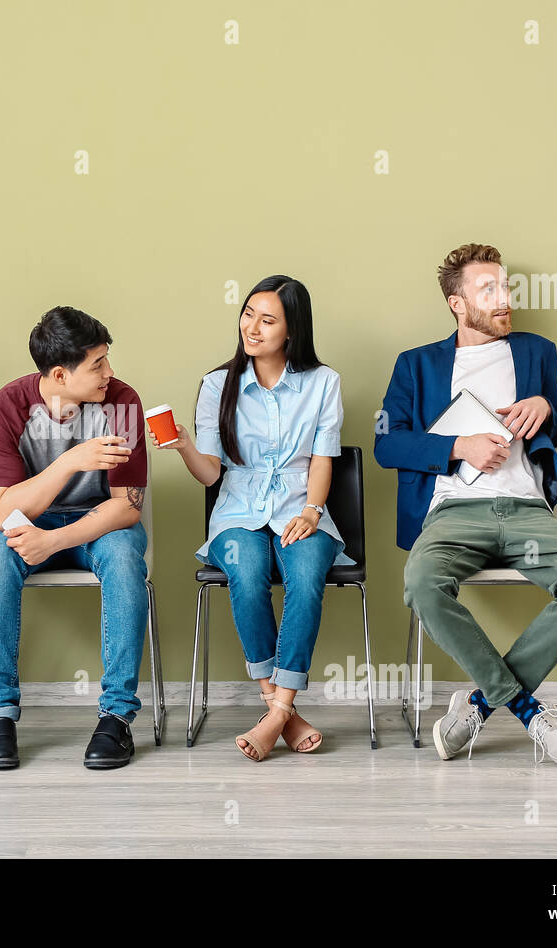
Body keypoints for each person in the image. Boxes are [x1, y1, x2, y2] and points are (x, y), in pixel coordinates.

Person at [374, 243, 557, 769]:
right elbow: (386, 444)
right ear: (457, 303)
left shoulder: (536, 352)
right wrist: (460, 447)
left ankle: (481, 703)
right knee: (421, 584)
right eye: (490, 290)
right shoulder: (416, 365)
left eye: (506, 287)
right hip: (452, 515)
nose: (505, 298)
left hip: (526, 512)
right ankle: (529, 712)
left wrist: (546, 405)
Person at [153, 275, 349, 761]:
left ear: (292, 329)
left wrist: (311, 510)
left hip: (303, 509)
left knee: (306, 578)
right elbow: (209, 475)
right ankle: (281, 708)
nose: (253, 328)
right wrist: (182, 446)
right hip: (236, 512)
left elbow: (323, 458)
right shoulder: (218, 384)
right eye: (248, 315)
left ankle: (276, 711)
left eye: (268, 320)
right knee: (247, 571)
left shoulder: (323, 382)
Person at [0, 306, 149, 770]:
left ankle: (117, 717)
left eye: (107, 360)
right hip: (29, 523)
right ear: (58, 373)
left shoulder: (122, 402)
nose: (109, 373)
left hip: (99, 524)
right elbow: (2, 511)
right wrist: (71, 462)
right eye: (97, 365)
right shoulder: (5, 408)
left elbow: (128, 506)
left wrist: (53, 542)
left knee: (126, 559)